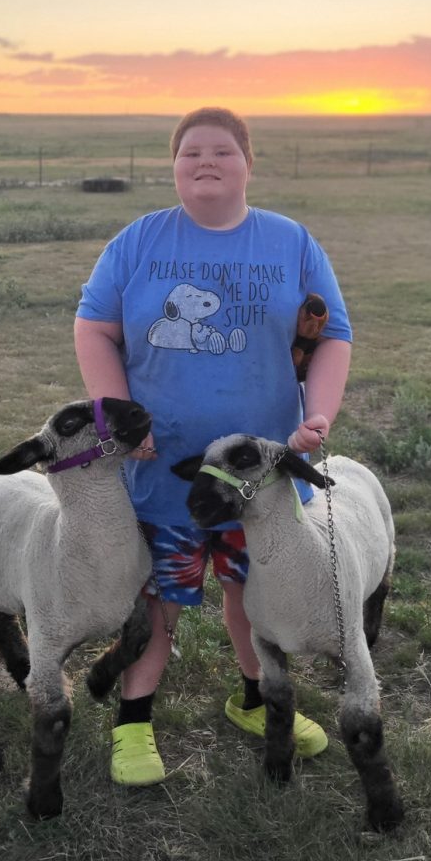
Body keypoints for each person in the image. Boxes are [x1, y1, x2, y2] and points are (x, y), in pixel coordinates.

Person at [74, 107, 352, 785]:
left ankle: (254, 700)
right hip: (161, 474)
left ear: (247, 163)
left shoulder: (290, 242)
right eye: (190, 151)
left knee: (251, 592)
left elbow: (329, 336)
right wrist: (119, 417)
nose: (205, 160)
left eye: (221, 151)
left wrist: (317, 415)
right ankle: (134, 722)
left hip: (258, 480)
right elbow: (93, 328)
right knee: (159, 598)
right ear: (171, 166)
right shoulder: (137, 241)